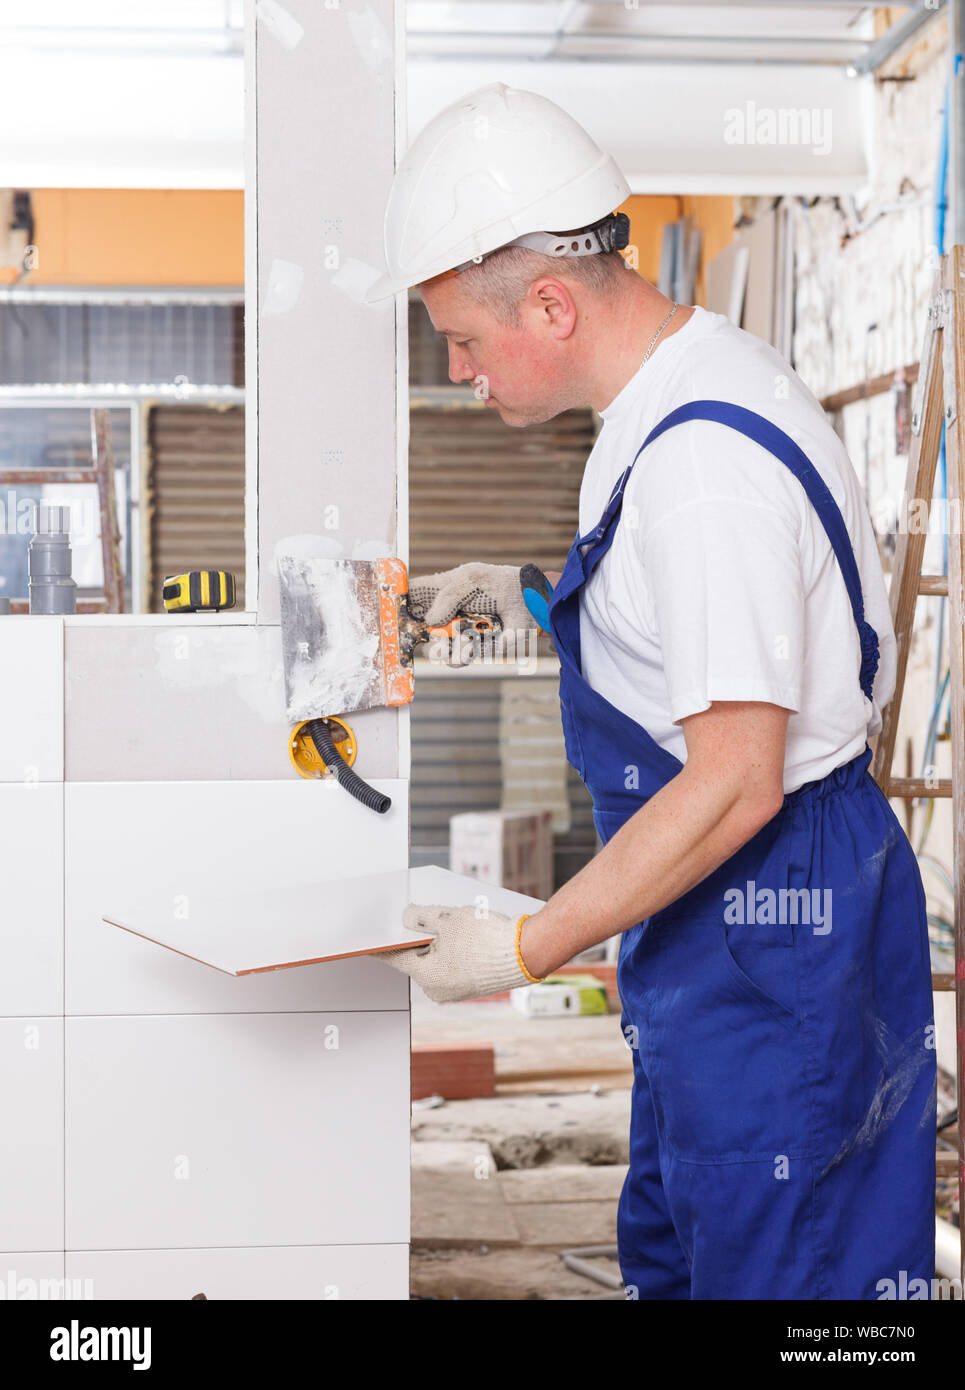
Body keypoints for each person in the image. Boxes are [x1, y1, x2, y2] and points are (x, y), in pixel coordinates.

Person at [367, 82, 936, 1300]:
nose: (460, 372)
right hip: (722, 915)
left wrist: (521, 946)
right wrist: (521, 593)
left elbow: (733, 783)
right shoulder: (678, 386)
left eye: (462, 341)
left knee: (788, 1269)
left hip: (768, 899)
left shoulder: (698, 471)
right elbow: (684, 627)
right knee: (684, 1237)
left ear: (553, 302)